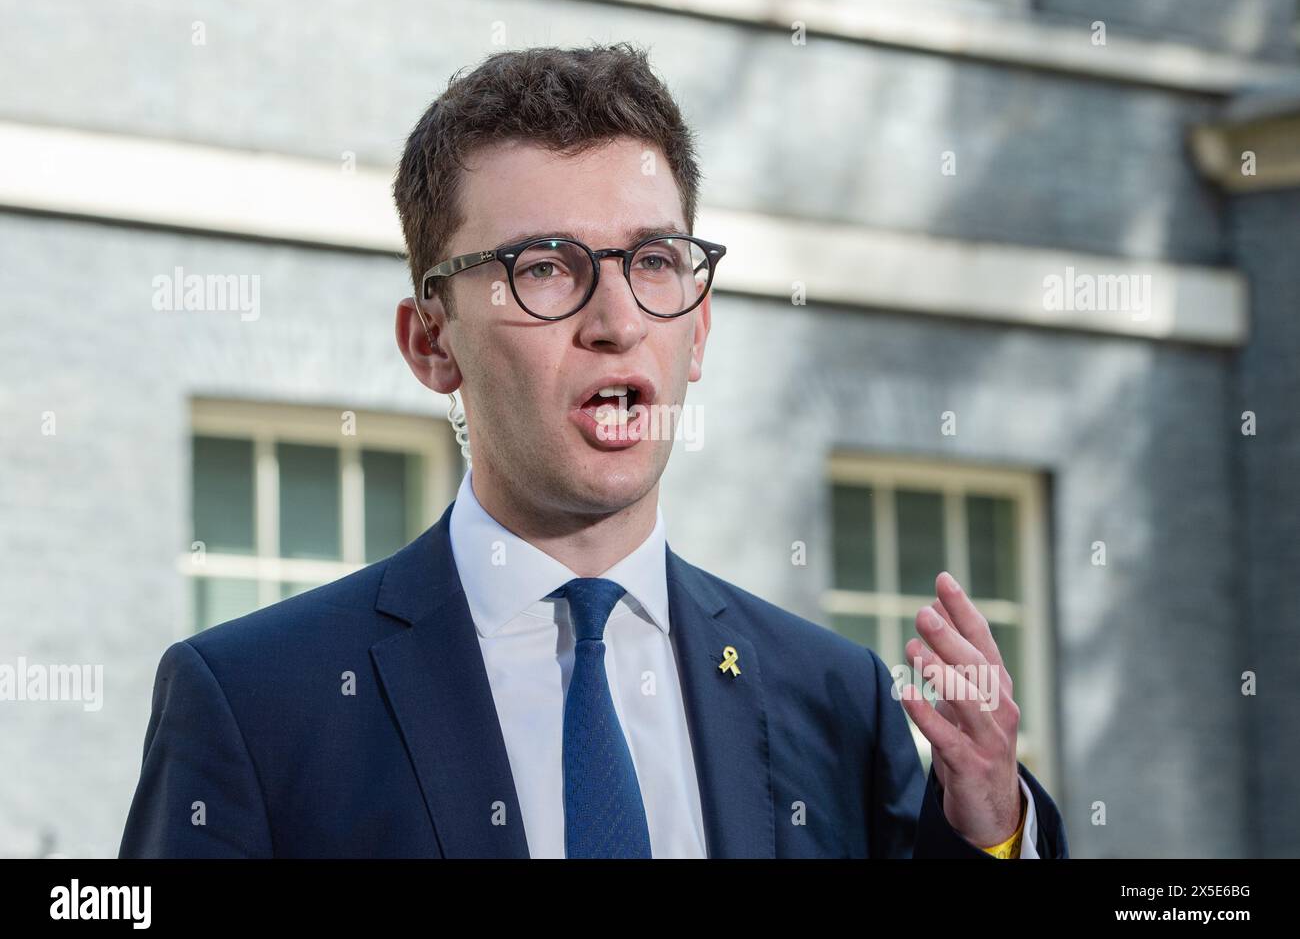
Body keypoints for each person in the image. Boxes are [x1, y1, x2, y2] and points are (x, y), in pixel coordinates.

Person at [119, 43, 1067, 859]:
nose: (616, 321)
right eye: (544, 269)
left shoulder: (833, 696)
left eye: (654, 261)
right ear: (431, 342)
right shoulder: (254, 704)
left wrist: (993, 828)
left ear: (699, 328)